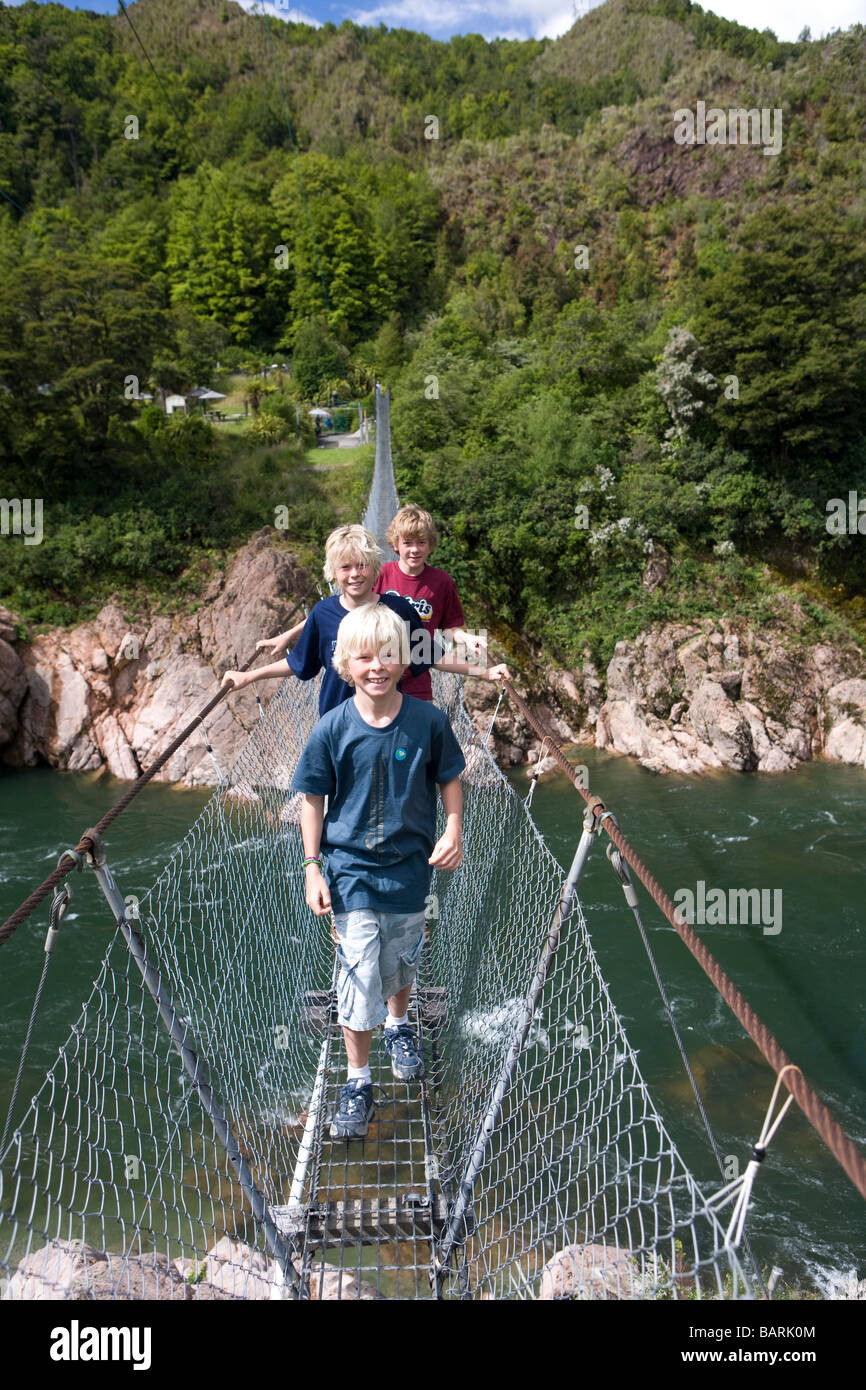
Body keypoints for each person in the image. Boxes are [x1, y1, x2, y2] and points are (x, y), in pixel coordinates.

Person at [292, 602, 465, 1139]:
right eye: (363, 657)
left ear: (404, 659)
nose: (376, 666)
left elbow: (450, 779)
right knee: (359, 971)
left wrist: (454, 829)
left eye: (388, 654)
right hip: (350, 873)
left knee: (400, 962)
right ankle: (358, 1081)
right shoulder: (330, 729)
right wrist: (312, 867)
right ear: (344, 664)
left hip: (411, 870)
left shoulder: (429, 722)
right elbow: (312, 799)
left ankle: (397, 1024)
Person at [220, 524, 509, 713]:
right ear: (333, 572)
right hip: (337, 722)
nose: (355, 574)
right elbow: (299, 663)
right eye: (345, 567)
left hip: (387, 721)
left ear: (374, 569)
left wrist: (484, 672)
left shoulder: (398, 609)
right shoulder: (323, 614)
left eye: (362, 566)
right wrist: (248, 676)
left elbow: (429, 656)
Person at [374, 504, 486, 702]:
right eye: (407, 543)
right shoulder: (381, 575)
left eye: (421, 542)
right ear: (396, 544)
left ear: (430, 544)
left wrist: (466, 638)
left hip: (417, 681)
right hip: (378, 678)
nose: (415, 549)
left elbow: (449, 628)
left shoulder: (441, 582)